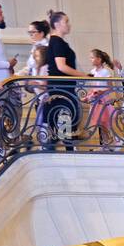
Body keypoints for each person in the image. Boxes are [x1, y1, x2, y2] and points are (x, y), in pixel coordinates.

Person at [43, 10, 85, 151]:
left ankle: (66, 152)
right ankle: (68, 154)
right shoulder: (58, 42)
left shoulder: (55, 42)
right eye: (66, 21)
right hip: (62, 90)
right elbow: (61, 66)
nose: (68, 25)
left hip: (60, 89)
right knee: (65, 125)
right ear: (57, 24)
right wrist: (83, 75)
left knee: (63, 127)